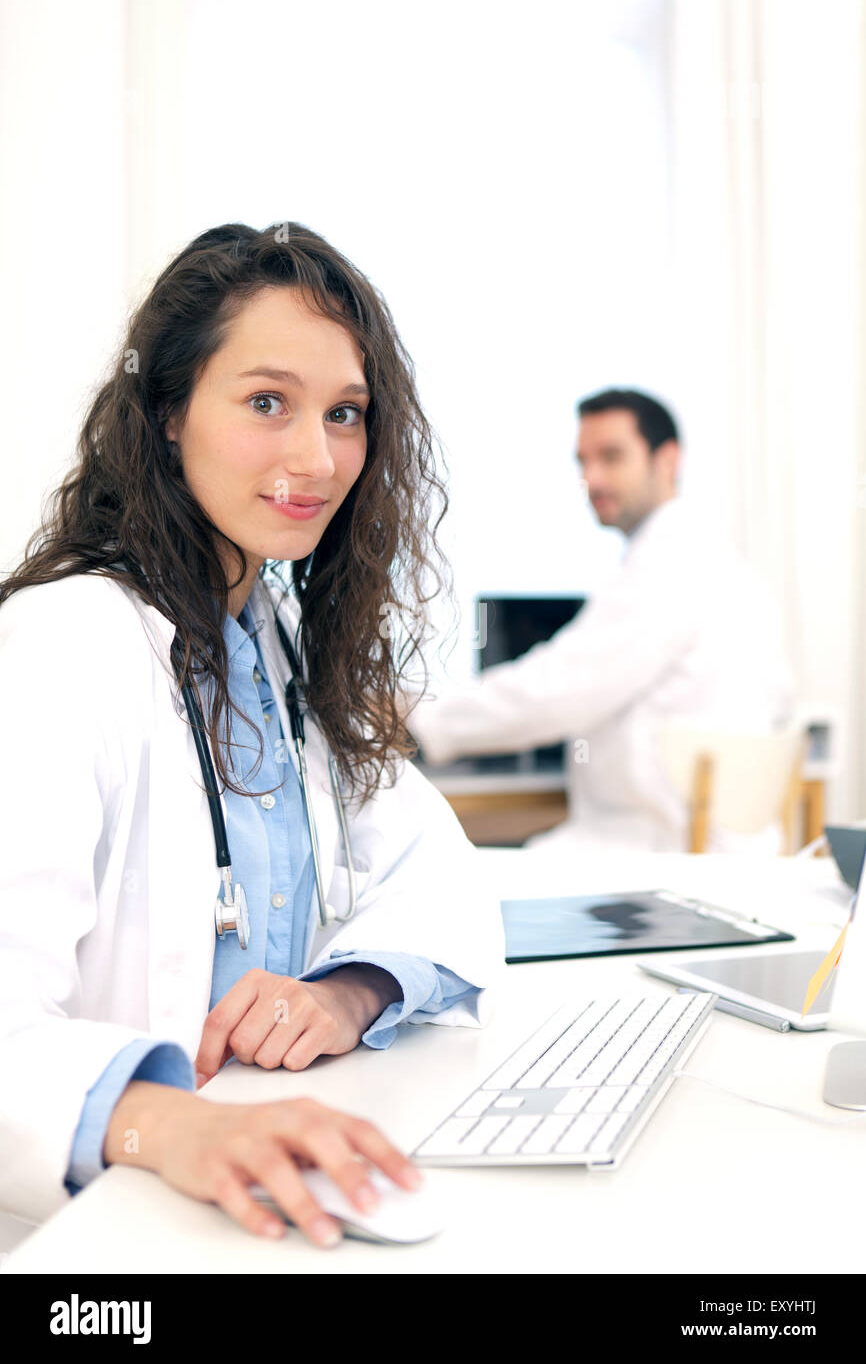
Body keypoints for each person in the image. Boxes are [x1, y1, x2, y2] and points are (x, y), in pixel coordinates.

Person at [0, 222, 503, 1247]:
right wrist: (163, 1125)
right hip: (95, 1222)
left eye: (346, 414)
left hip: (265, 1179)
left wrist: (349, 991)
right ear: (167, 412)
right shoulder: (63, 641)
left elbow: (433, 867)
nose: (316, 458)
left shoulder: (275, 640)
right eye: (266, 401)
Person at [404, 389, 794, 853]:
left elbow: (561, 689)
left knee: (446, 877)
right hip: (712, 848)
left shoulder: (673, 563)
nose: (592, 478)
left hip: (656, 854)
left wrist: (418, 716)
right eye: (582, 462)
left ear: (666, 459)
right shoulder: (723, 563)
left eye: (611, 457)